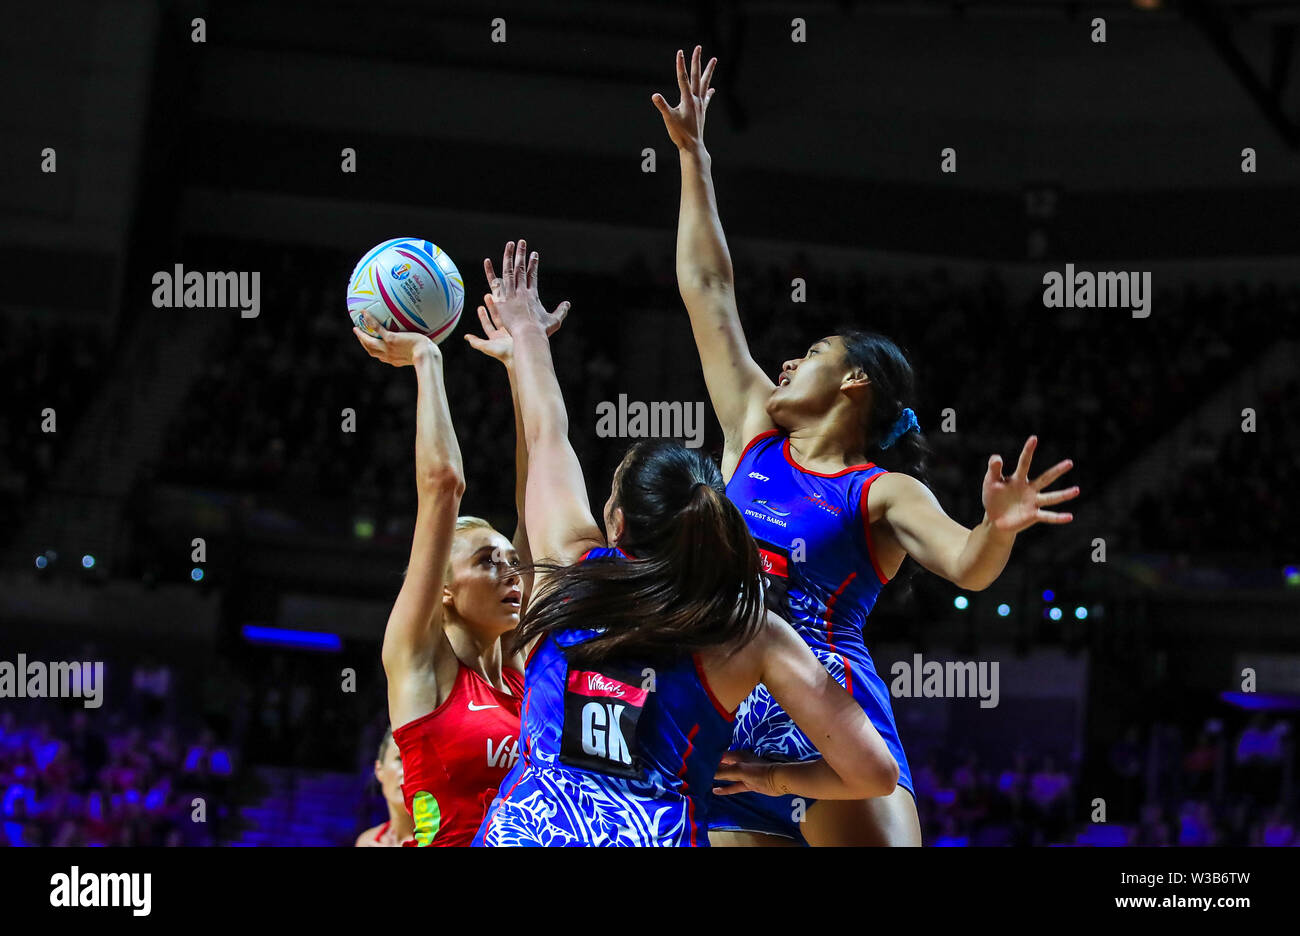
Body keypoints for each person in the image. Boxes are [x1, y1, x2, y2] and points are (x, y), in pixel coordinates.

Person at [653, 46, 1080, 845]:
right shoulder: (751, 433)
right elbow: (707, 291)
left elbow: (967, 568)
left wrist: (1000, 527)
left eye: (811, 352)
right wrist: (693, 158)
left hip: (826, 729)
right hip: (728, 720)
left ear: (855, 385)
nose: (784, 362)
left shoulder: (880, 491)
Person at [472, 239, 899, 847]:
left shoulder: (569, 568)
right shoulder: (748, 632)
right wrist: (771, 777)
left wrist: (528, 335)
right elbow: (875, 773)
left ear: (617, 524)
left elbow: (547, 436)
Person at [351, 248, 570, 846]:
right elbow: (443, 486)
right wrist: (426, 359)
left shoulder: (525, 666)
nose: (511, 571)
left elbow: (535, 496)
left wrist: (525, 359)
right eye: (485, 561)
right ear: (443, 589)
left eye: (508, 558)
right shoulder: (419, 661)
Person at [354, 731, 414, 846]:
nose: (407, 771)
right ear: (379, 770)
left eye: (415, 761)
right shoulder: (366, 841)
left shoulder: (446, 840)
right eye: (399, 759)